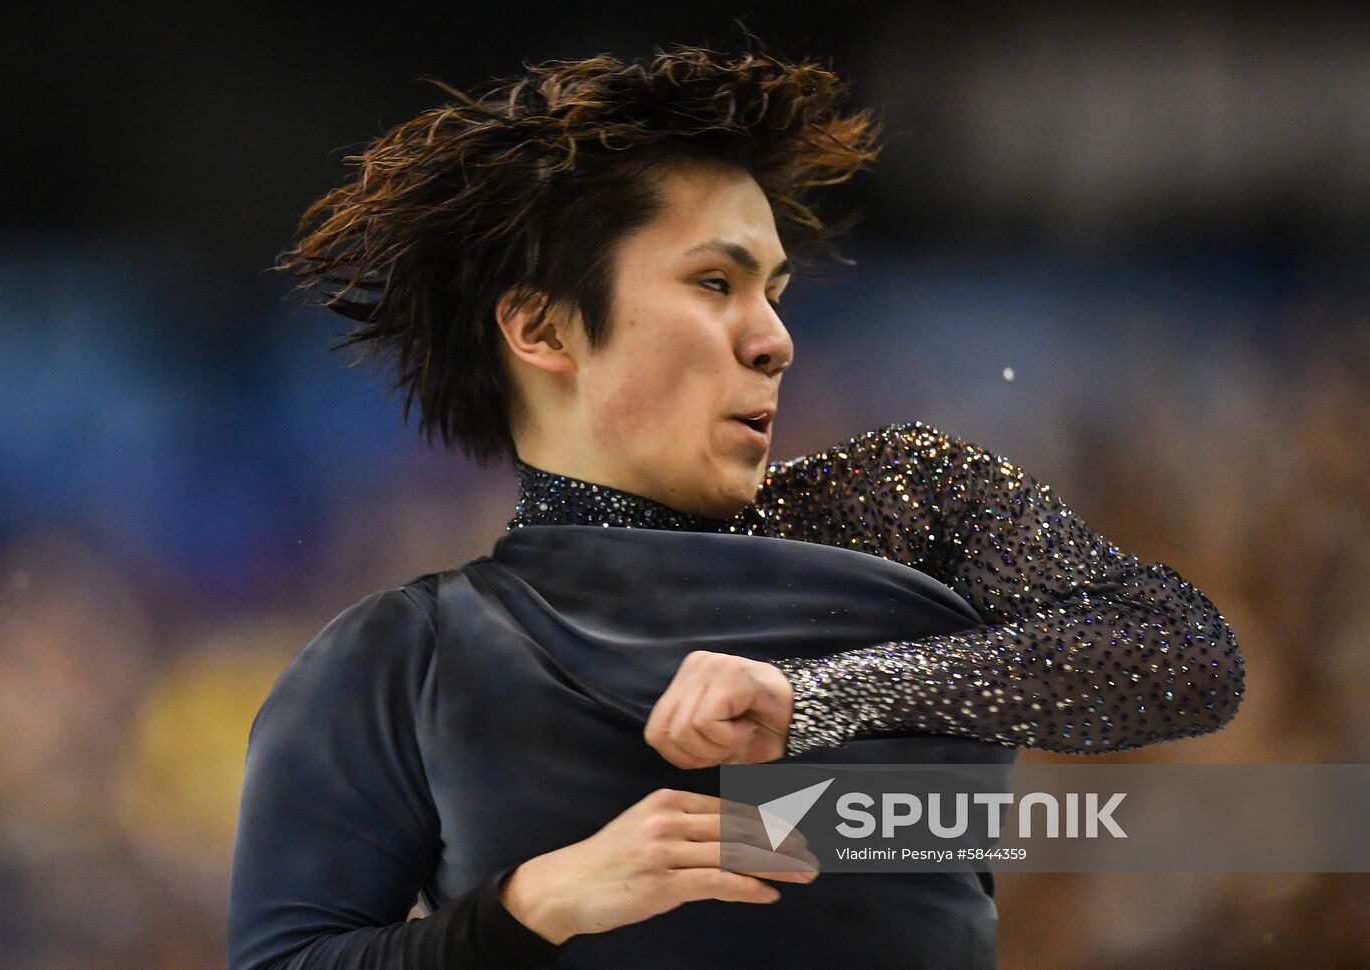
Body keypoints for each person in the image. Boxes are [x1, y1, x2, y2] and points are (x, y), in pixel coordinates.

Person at [227, 44, 1245, 969]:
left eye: (773, 290)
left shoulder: (903, 505)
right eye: (714, 282)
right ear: (540, 327)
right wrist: (533, 902)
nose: (773, 339)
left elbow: (1182, 657)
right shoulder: (402, 656)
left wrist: (823, 698)